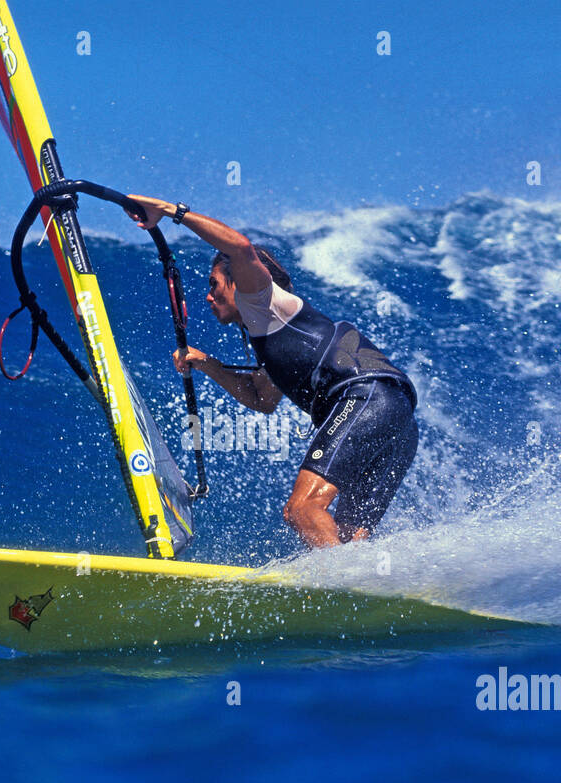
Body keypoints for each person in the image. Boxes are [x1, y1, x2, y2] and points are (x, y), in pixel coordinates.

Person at [127, 195, 419, 549]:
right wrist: (207, 364)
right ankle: (365, 581)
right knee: (348, 537)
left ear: (239, 283)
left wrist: (170, 211)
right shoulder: (274, 336)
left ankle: (342, 579)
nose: (208, 296)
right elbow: (262, 400)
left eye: (214, 284)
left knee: (302, 508)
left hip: (366, 399)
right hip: (397, 417)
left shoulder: (262, 300)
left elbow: (240, 248)